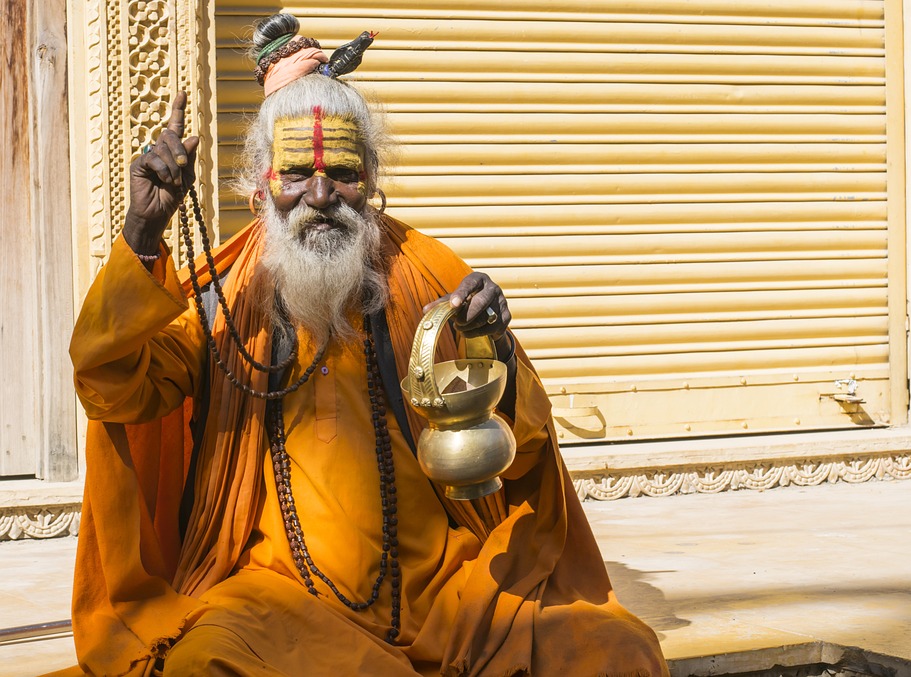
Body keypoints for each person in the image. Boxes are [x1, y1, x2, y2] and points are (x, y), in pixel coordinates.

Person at [66, 13, 668, 677]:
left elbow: (518, 447)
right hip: (276, 605)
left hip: (439, 594)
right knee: (200, 663)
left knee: (616, 649)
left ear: (372, 175)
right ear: (261, 180)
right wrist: (143, 235)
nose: (320, 195)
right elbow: (111, 383)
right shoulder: (222, 302)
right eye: (296, 172)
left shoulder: (428, 275)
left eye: (342, 171)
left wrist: (493, 351)